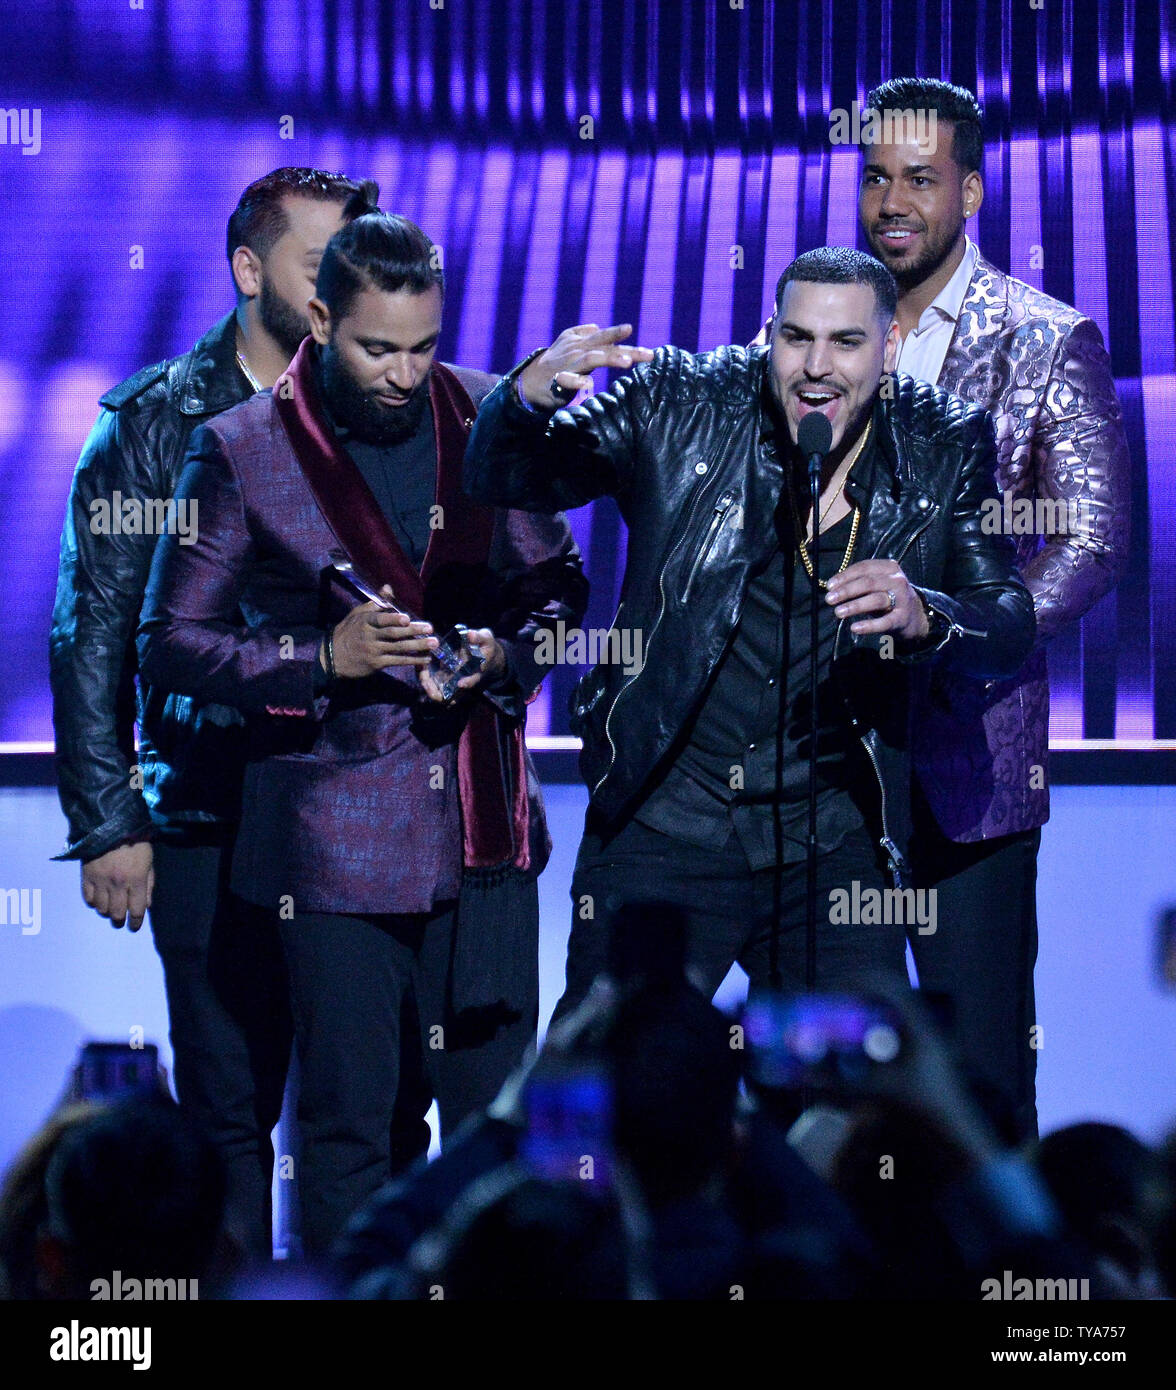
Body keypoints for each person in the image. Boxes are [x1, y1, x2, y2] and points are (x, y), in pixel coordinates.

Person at [138, 205, 587, 1257]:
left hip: (484, 841)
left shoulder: (485, 414)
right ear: (319, 322)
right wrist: (319, 662)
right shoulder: (240, 451)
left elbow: (558, 586)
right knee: (345, 1132)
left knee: (489, 1133)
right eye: (375, 347)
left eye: (421, 346)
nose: (400, 372)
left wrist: (504, 652)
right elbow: (169, 642)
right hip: (329, 848)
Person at [464, 246, 1035, 1024]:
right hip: (668, 820)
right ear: (770, 333)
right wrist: (525, 399)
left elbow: (1006, 621)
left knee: (862, 1108)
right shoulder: (680, 400)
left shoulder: (945, 442)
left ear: (891, 346)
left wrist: (929, 614)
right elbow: (504, 478)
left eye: (846, 343)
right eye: (796, 338)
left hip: (830, 838)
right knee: (611, 1089)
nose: (816, 368)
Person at [49, 167, 371, 1257]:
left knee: (359, 1108)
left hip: (355, 813)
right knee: (227, 1109)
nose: (339, 292)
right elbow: (92, 628)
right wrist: (111, 820)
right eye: (317, 266)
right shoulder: (152, 421)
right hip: (202, 813)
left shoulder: (382, 410)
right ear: (249, 270)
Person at [856, 78, 1130, 1141]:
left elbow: (1093, 543)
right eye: (875, 177)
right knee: (833, 1084)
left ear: (968, 189)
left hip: (971, 762)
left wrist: (956, 632)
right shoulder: (815, 327)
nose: (892, 202)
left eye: (919, 180)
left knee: (976, 1091)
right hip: (821, 764)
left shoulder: (1045, 337)